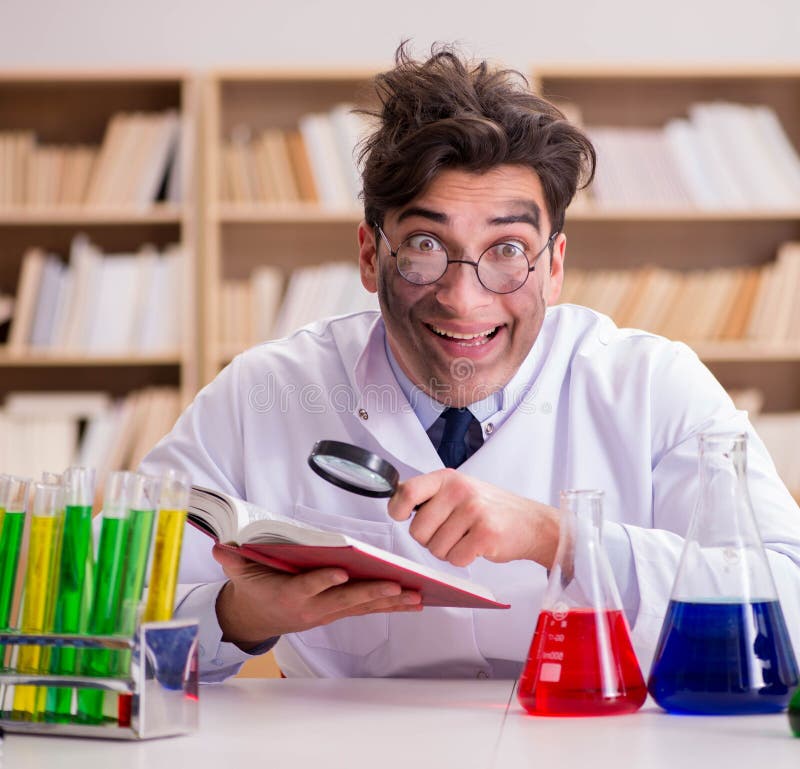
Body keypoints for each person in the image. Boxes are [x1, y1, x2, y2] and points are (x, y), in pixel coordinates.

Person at [141, 42, 800, 680]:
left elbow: (789, 603)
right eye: (426, 243)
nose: (463, 298)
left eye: (508, 249)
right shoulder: (265, 392)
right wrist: (239, 614)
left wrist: (562, 539)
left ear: (555, 266)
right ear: (371, 256)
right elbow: (108, 624)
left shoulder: (655, 387)